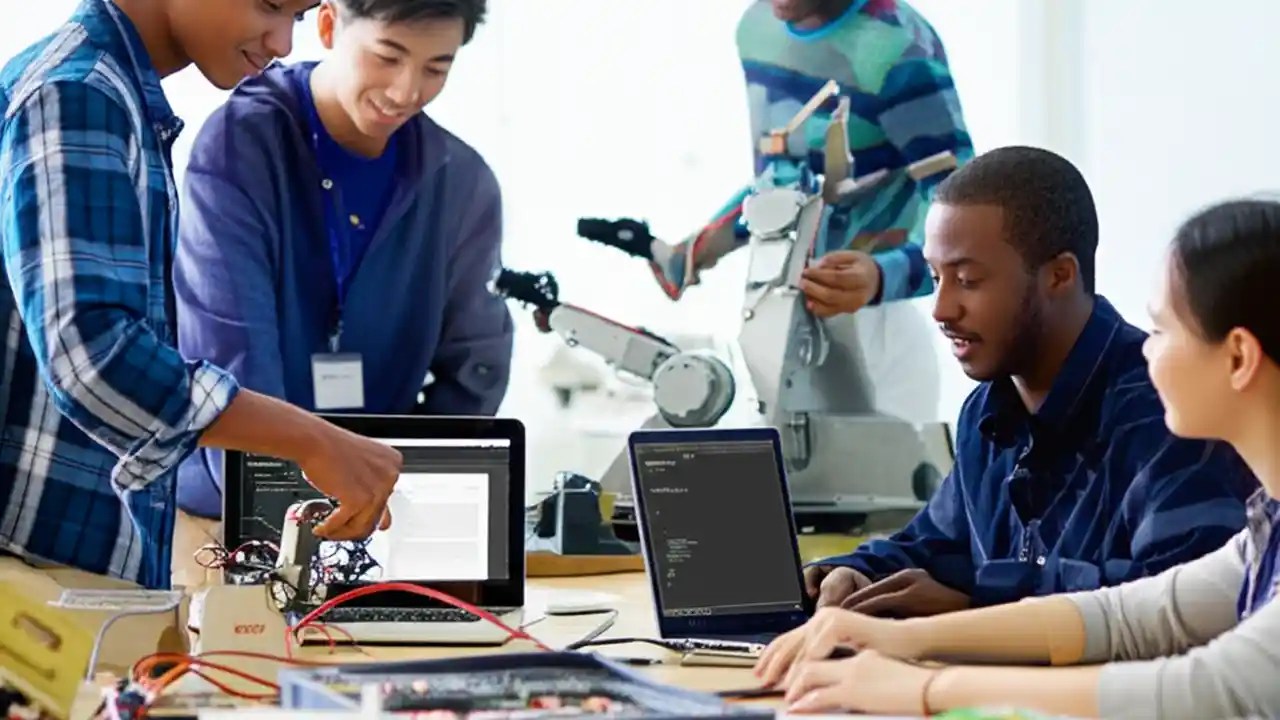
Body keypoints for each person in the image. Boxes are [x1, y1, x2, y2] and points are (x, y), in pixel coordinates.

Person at [753, 197, 1280, 719]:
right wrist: (893, 635)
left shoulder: (1146, 415)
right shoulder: (1264, 533)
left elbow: (1209, 688)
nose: (1147, 349)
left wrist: (925, 687)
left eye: (1163, 331)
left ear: (1238, 357)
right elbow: (1127, 617)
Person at [0, 0, 404, 591]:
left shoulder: (115, 97)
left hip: (63, 576)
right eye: (270, 7)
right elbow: (94, 357)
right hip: (31, 590)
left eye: (296, 15)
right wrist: (310, 440)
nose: (282, 43)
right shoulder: (76, 94)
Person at [801, 146, 1256, 617]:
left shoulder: (1169, 411)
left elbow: (1179, 603)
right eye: (936, 277)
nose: (940, 309)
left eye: (968, 280)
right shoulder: (985, 412)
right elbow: (937, 545)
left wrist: (983, 605)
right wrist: (854, 571)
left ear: (1059, 275)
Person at [171, 0, 511, 528]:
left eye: (436, 68)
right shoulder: (240, 147)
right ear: (328, 25)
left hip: (375, 518)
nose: (406, 91)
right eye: (386, 57)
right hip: (222, 511)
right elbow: (229, 360)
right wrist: (277, 517)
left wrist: (406, 508)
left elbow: (473, 373)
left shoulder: (462, 183)